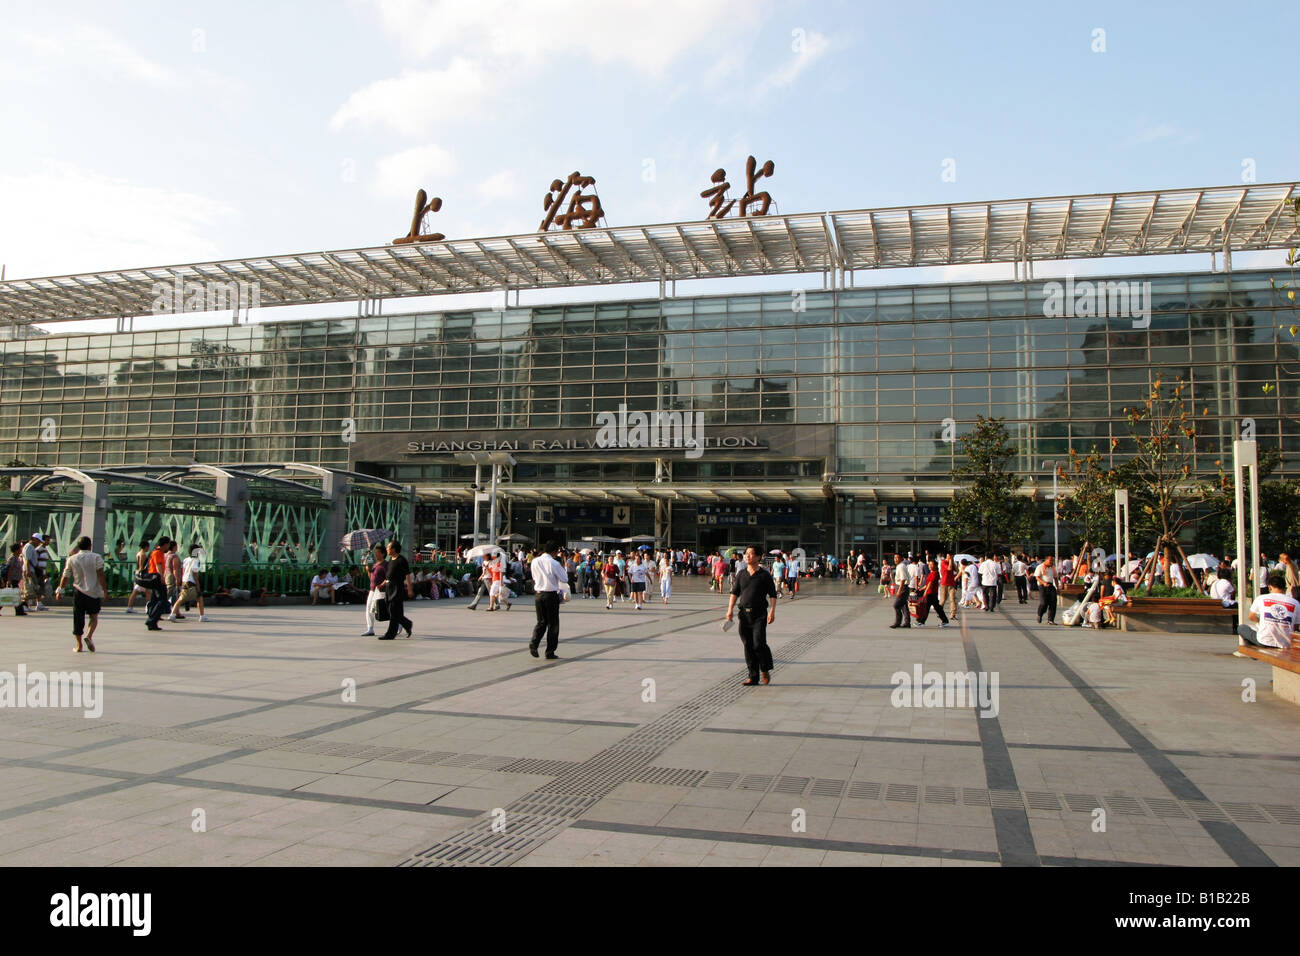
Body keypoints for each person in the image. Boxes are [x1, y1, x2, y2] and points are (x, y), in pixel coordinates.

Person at [725, 546, 778, 686]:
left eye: (751, 554)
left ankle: (765, 669)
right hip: (744, 615)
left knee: (759, 644)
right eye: (746, 554)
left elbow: (772, 594)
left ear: (759, 557)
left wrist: (772, 611)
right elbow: (734, 593)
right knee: (748, 645)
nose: (747, 556)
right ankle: (753, 676)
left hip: (759, 614)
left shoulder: (764, 575)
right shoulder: (741, 574)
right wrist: (729, 610)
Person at [55, 536, 107, 652]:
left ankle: (78, 645)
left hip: (79, 592)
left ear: (79, 546)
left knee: (78, 618)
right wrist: (105, 591)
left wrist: (60, 590)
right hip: (93, 592)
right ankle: (88, 636)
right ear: (90, 545)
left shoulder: (72, 559)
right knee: (93, 616)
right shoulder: (96, 557)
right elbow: (100, 575)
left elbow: (65, 576)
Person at [529, 542, 567, 659]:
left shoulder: (535, 561)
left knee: (541, 621)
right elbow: (564, 578)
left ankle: (534, 643)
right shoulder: (554, 563)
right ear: (554, 552)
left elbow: (534, 577)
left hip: (539, 595)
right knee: (553, 624)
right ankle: (550, 651)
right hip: (551, 595)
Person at [1245, 572, 1300, 649]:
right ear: (1285, 588)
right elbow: (1295, 626)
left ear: (1270, 587)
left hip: (1264, 641)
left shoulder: (1261, 598)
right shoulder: (1295, 603)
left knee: (1242, 628)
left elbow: (1251, 617)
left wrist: (1260, 621)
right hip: (1285, 643)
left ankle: (1252, 651)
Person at [380, 541, 413, 640]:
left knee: (394, 611)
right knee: (391, 610)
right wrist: (382, 583)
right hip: (389, 587)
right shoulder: (390, 559)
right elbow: (389, 575)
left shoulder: (401, 560)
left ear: (394, 549)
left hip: (397, 588)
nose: (386, 549)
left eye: (388, 547)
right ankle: (407, 623)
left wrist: (409, 589)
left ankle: (390, 633)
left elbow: (407, 575)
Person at [170, 544, 211, 623]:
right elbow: (195, 575)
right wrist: (198, 585)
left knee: (182, 599)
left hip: (185, 581)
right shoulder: (195, 561)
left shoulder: (186, 560)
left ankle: (172, 614)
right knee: (197, 598)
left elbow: (183, 571)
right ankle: (202, 616)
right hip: (191, 582)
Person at [144, 537, 170, 631]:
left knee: (154, 600)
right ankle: (152, 620)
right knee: (162, 600)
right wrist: (162, 578)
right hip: (157, 578)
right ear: (166, 544)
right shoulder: (158, 553)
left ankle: (151, 621)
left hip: (153, 578)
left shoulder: (154, 552)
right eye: (168, 545)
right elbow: (158, 565)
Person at [917, 559, 949, 627]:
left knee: (927, 608)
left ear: (935, 565)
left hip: (931, 593)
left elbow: (930, 584)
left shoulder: (935, 573)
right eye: (929, 565)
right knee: (937, 608)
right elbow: (927, 584)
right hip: (931, 593)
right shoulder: (931, 573)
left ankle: (921, 622)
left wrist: (925, 592)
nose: (930, 566)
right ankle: (945, 621)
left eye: (932, 565)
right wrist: (921, 589)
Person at [124, 538, 151, 614]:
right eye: (148, 547)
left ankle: (131, 607)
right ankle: (147, 607)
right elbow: (141, 566)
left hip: (138, 573)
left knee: (144, 591)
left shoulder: (138, 553)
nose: (148, 548)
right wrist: (143, 573)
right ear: (145, 547)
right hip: (142, 574)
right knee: (140, 591)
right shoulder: (142, 554)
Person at [2, 543, 26, 616]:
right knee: (11, 595)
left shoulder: (16, 557)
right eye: (20, 549)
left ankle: (19, 611)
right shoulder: (12, 558)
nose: (21, 550)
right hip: (13, 580)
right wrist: (9, 580)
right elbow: (10, 569)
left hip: (16, 579)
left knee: (15, 595)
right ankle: (19, 611)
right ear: (16, 550)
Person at [890, 554, 911, 629]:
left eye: (897, 558)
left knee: (896, 605)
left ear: (901, 558)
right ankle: (907, 622)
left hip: (903, 588)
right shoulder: (900, 565)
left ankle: (897, 622)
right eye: (894, 557)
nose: (895, 559)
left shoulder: (901, 566)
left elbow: (903, 579)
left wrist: (899, 591)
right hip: (902, 587)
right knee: (904, 605)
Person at [1035, 555, 1058, 625]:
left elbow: (1055, 578)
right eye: (1050, 560)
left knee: (1053, 603)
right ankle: (1040, 614)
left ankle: (1051, 620)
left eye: (1052, 561)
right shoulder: (1040, 567)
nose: (1051, 562)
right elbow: (1037, 577)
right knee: (1044, 603)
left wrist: (1057, 587)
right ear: (1046, 560)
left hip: (1050, 585)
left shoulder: (1052, 568)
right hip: (1042, 585)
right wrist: (1043, 583)